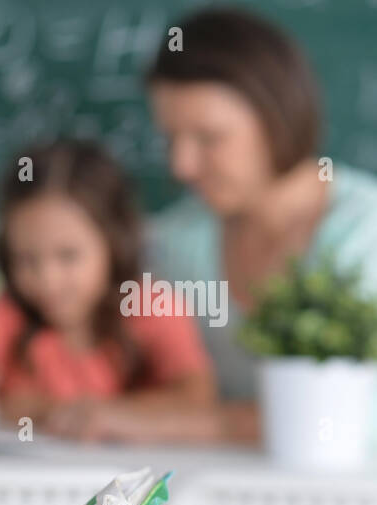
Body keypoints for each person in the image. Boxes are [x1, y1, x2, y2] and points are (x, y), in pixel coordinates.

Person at [147, 5, 377, 438]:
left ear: (276, 116)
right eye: (170, 138)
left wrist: (189, 423)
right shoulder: (175, 241)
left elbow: (351, 418)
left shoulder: (366, 231)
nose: (181, 165)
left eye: (209, 138)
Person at [0, 140, 216, 443]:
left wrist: (97, 413)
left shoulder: (150, 303)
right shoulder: (9, 312)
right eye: (26, 259)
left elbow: (198, 399)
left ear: (115, 242)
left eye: (68, 256)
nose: (47, 280)